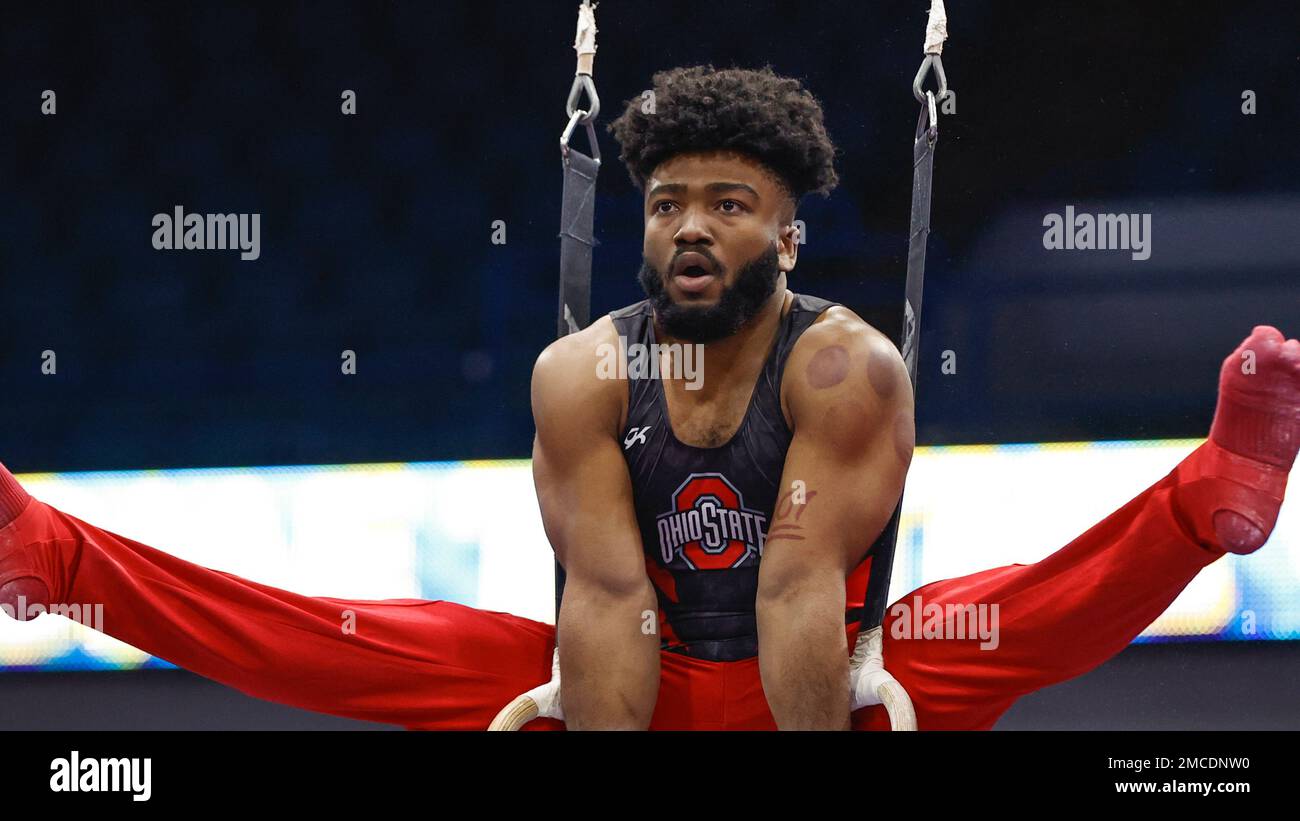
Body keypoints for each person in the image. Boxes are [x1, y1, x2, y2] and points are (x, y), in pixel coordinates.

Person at [2, 65, 1296, 730]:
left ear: (788, 237)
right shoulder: (585, 374)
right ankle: (54, 553)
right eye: (669, 201)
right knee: (367, 638)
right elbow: (611, 600)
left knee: (974, 622)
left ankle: (1208, 498)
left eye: (728, 205)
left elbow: (797, 596)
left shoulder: (847, 370)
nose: (688, 227)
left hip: (819, 675)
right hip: (629, 677)